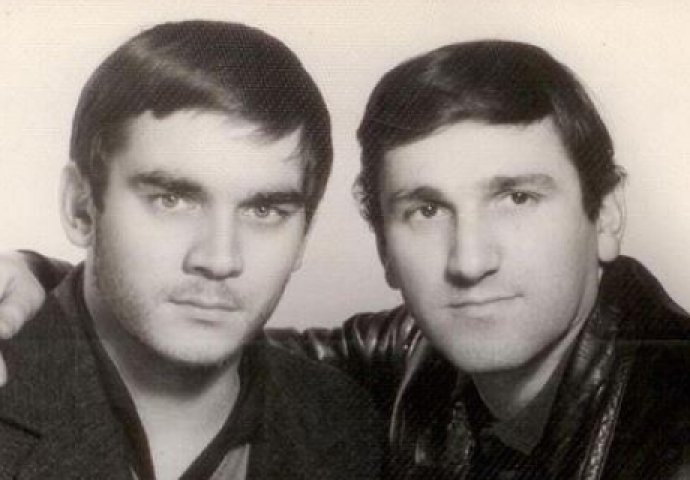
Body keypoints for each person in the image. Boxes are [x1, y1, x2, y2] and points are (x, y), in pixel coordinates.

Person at [3, 40, 690, 478]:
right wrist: (43, 285)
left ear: (607, 215)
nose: (470, 259)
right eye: (425, 210)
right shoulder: (399, 369)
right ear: (383, 247)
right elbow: (214, 331)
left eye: (517, 197)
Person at [0, 20, 384, 479]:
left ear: (304, 234)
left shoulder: (347, 426)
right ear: (80, 207)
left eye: (264, 210)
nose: (220, 259)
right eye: (172, 200)